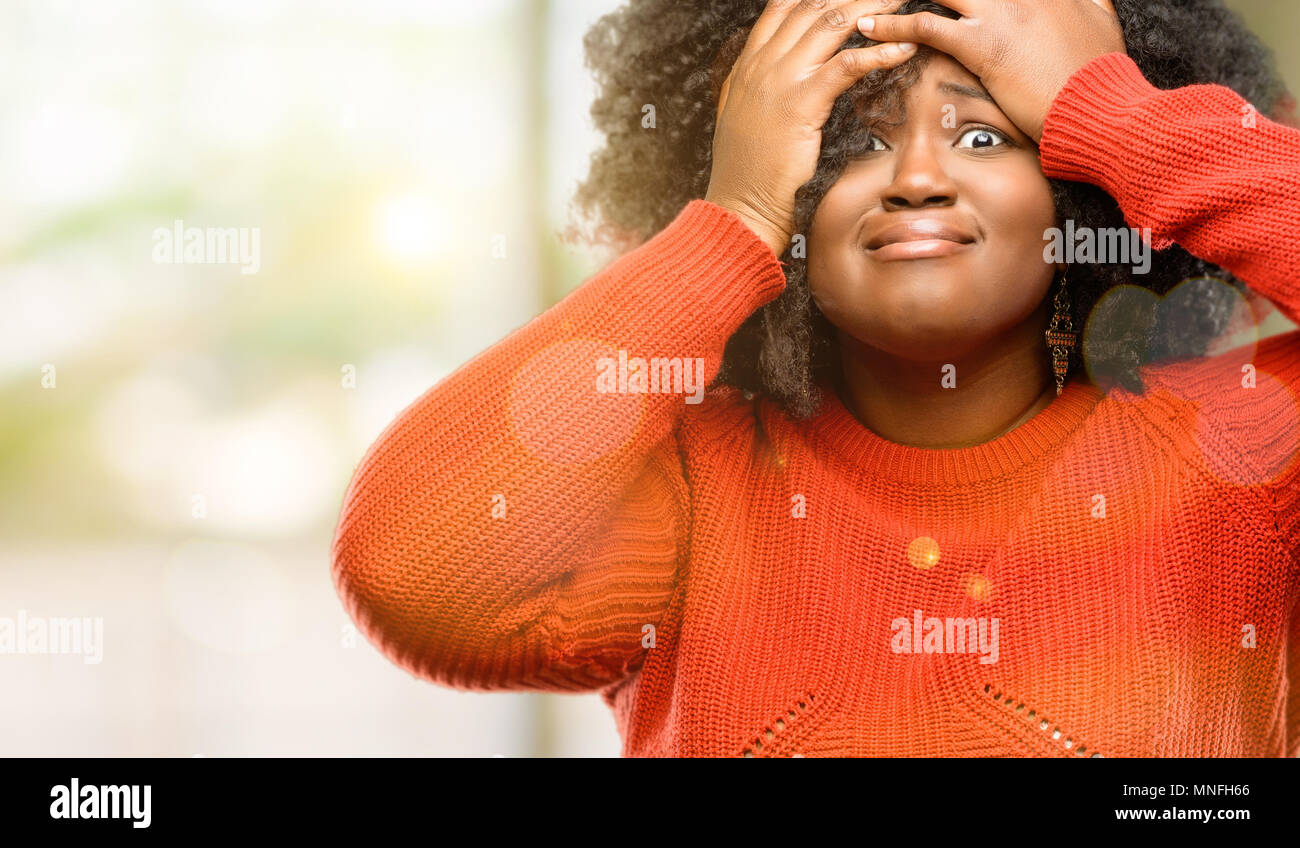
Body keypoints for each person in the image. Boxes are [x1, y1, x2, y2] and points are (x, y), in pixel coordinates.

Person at [331, 0, 1300, 756]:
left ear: (1075, 189)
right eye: (856, 141)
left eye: (982, 136)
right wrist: (735, 214)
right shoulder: (688, 495)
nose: (916, 174)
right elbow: (408, 568)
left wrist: (1116, 112)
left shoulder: (1245, 457)